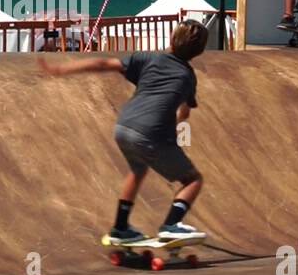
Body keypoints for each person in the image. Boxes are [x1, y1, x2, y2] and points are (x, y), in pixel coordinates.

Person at [37, 20, 208, 243]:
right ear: (199, 51)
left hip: (124, 126)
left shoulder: (147, 59)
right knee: (192, 180)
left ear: (173, 40)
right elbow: (184, 113)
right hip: (152, 134)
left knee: (137, 171)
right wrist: (167, 122)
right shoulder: (188, 76)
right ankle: (171, 225)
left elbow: (103, 63)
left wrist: (62, 69)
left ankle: (120, 228)